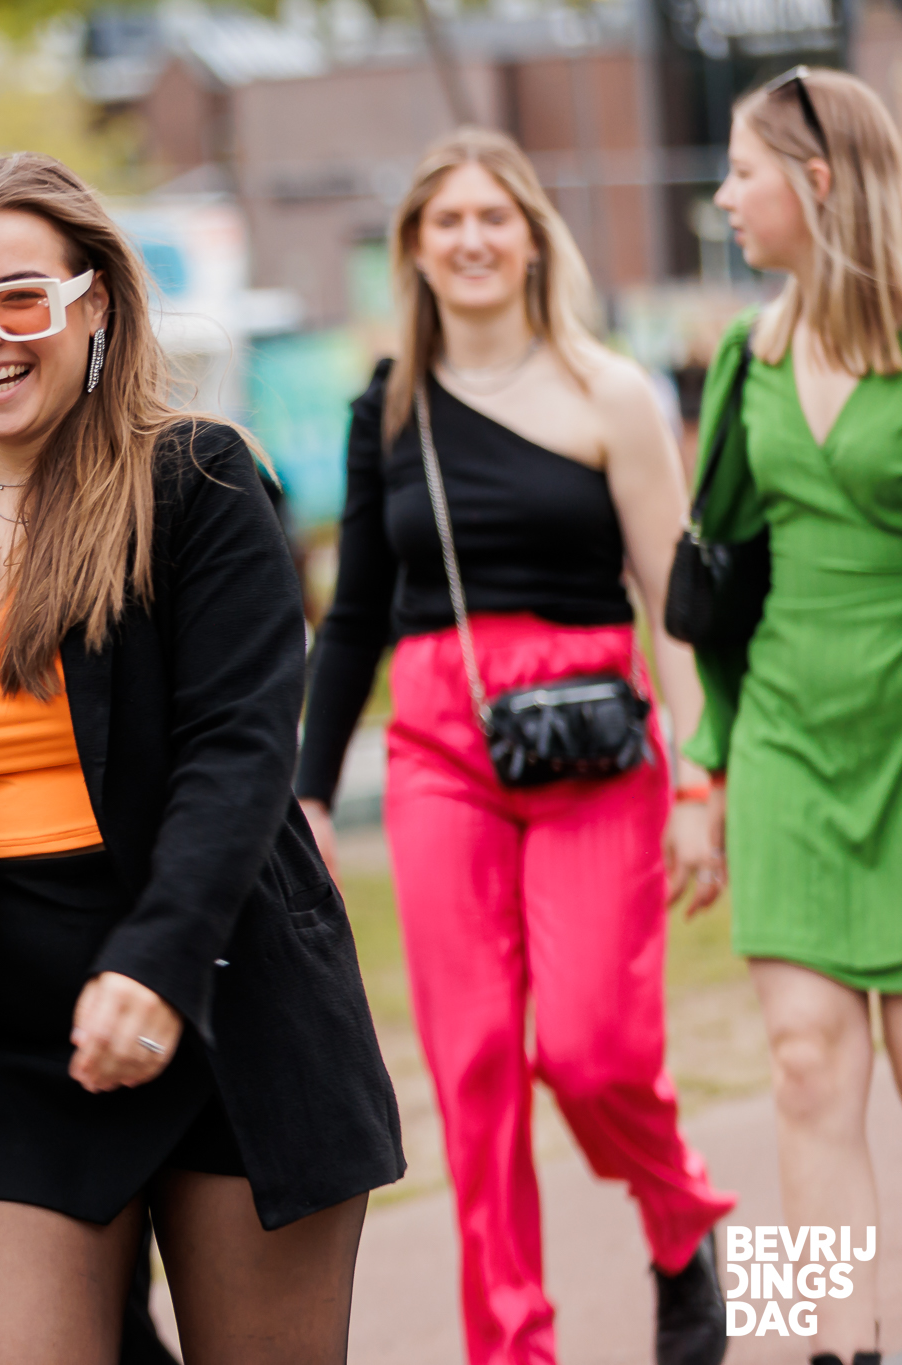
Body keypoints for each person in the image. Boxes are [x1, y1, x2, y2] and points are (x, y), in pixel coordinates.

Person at [0, 151, 404, 1365]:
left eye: (20, 298)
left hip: (222, 988)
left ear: (93, 304)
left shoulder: (195, 481)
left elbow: (237, 749)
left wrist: (156, 959)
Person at [293, 128, 737, 1365]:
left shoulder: (608, 393)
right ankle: (510, 1342)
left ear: (534, 238)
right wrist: (312, 794)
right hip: (440, 752)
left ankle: (677, 1210)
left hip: (596, 745)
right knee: (475, 1064)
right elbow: (354, 624)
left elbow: (670, 602)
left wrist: (700, 779)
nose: (474, 239)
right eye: (448, 222)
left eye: (498, 217)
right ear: (415, 251)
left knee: (593, 1053)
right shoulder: (381, 405)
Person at [703, 67, 902, 1365]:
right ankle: (827, 1350)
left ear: (817, 183)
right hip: (783, 732)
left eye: (743, 173)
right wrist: (709, 768)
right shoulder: (746, 352)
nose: (724, 198)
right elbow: (710, 574)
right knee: (800, 1065)